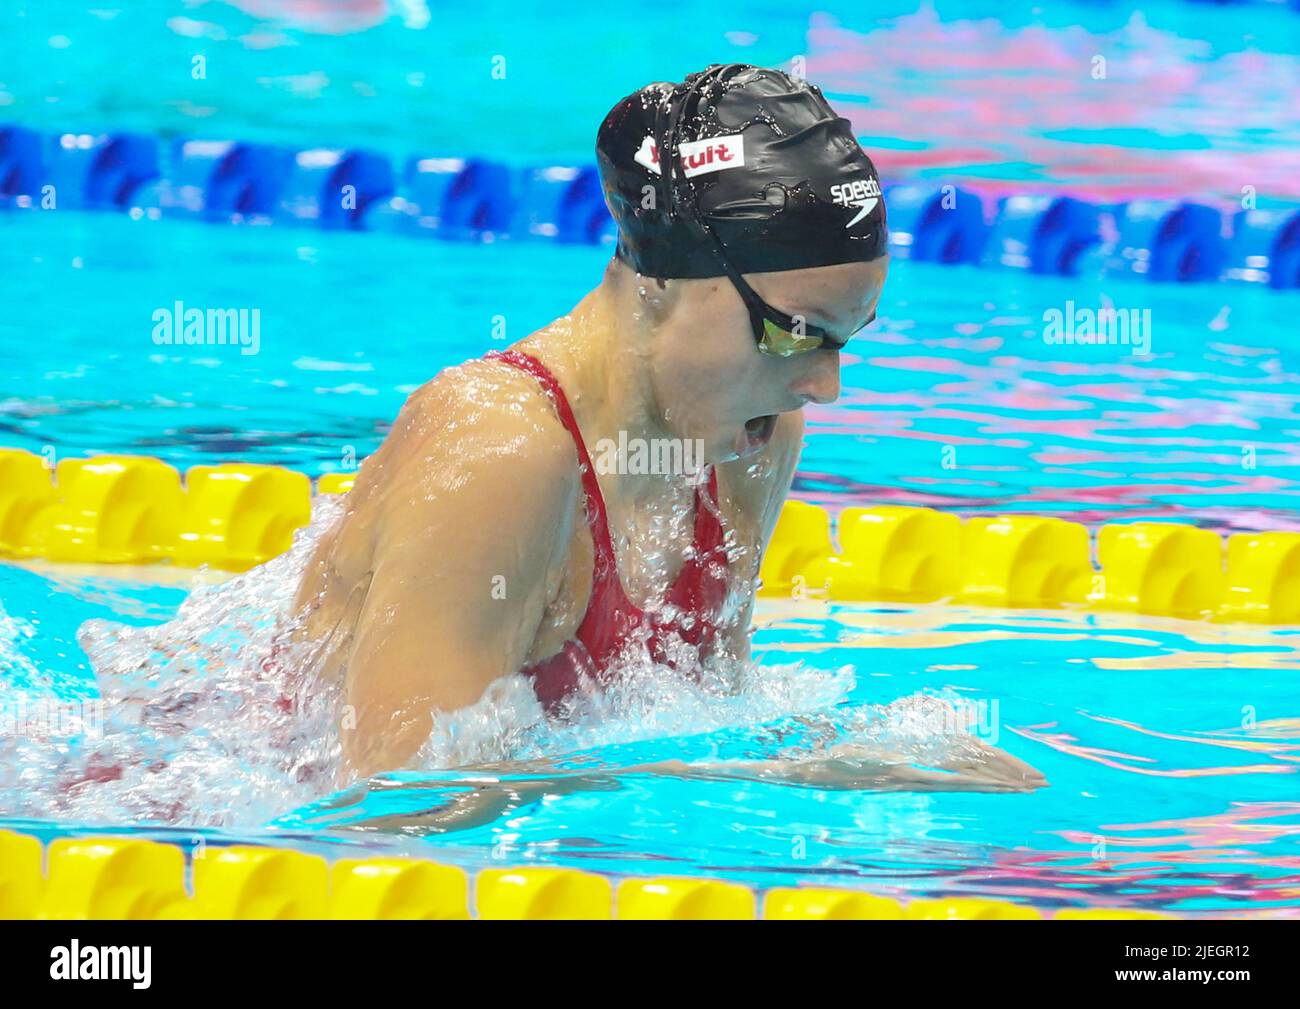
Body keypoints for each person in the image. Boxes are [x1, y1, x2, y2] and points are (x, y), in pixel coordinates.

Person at [290, 64, 1045, 795]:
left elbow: (704, 715)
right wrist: (787, 775)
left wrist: (846, 749)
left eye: (844, 340)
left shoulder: (752, 437)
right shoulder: (501, 452)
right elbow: (398, 799)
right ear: (663, 279)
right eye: (795, 333)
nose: (824, 386)